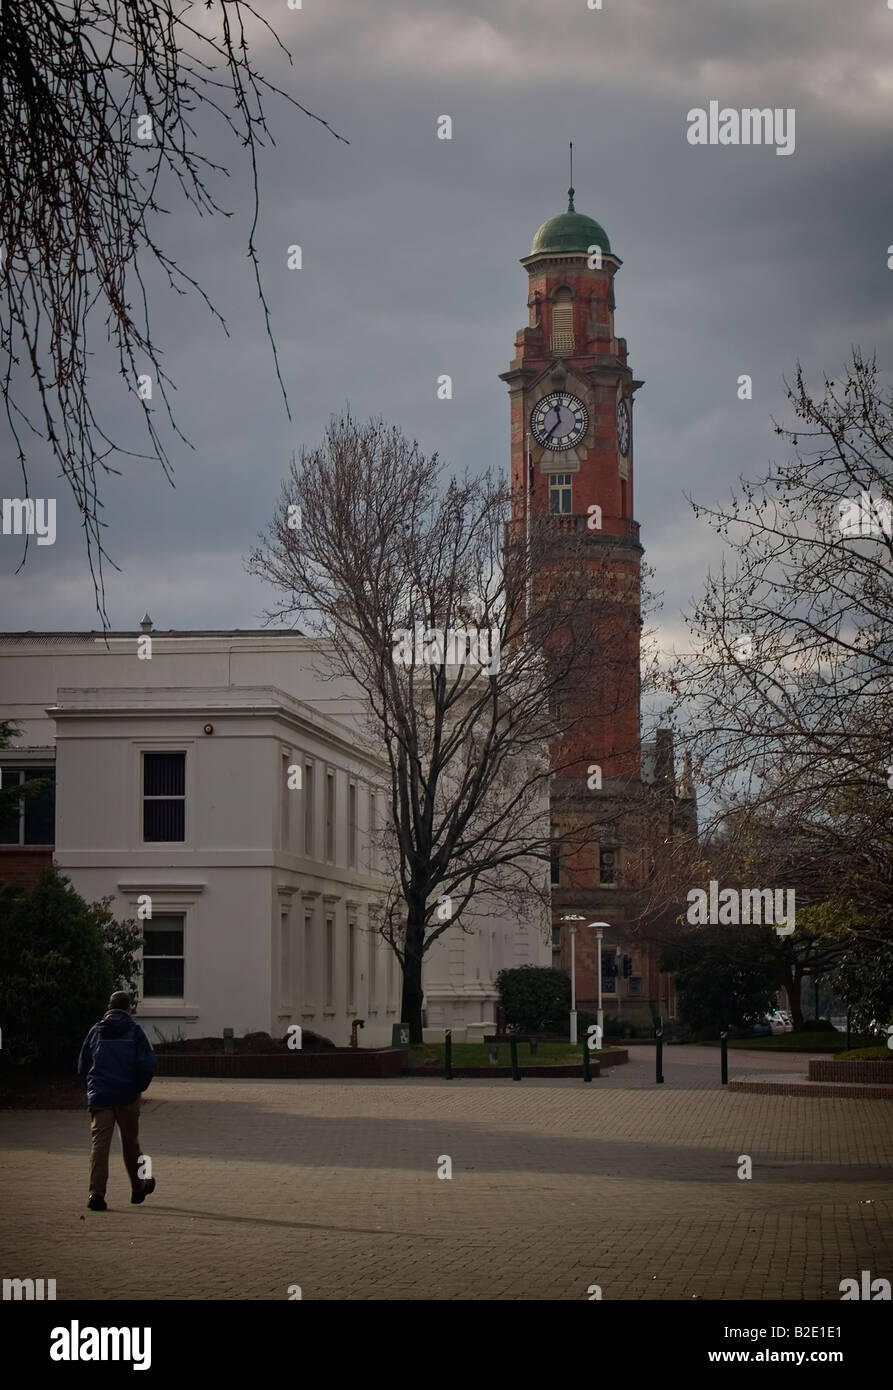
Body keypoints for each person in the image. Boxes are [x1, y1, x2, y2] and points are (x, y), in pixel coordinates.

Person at [77, 990, 157, 1211]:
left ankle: (96, 1194)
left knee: (99, 1146)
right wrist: (138, 1087)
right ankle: (139, 1185)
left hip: (101, 1096)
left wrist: (91, 1088)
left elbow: (83, 1064)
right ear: (129, 1008)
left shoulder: (96, 1031)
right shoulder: (135, 1032)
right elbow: (148, 1063)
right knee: (131, 1143)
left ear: (108, 1007)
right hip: (127, 1096)